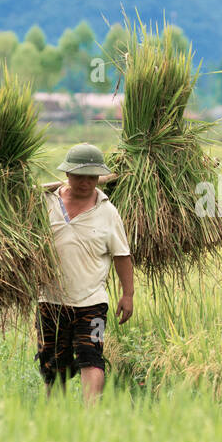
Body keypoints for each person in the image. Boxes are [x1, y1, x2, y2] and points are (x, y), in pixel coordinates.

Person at [37, 143, 134, 404]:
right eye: (80, 175)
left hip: (92, 302)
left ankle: (91, 415)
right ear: (67, 175)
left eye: (92, 176)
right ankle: (55, 415)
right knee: (53, 363)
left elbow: (122, 255)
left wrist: (128, 294)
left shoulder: (107, 211)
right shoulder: (45, 203)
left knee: (91, 356)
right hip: (50, 300)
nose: (86, 182)